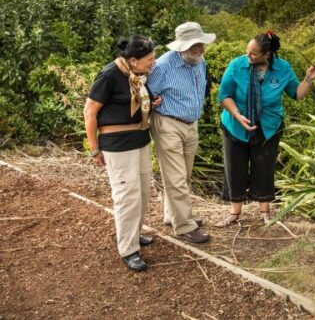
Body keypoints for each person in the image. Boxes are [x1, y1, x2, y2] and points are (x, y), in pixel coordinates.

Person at [215, 30, 315, 226]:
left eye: (253, 53)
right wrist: (237, 115)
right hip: (236, 124)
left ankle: (264, 211)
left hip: (268, 126)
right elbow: (224, 95)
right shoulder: (237, 65)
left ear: (267, 54)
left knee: (264, 167)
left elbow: (296, 94)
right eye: (248, 51)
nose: (248, 55)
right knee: (235, 167)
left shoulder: (282, 68)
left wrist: (308, 79)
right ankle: (235, 213)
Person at [84, 35, 160, 272]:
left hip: (140, 139)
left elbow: (134, 104)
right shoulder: (109, 75)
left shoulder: (135, 74)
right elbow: (89, 112)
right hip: (117, 144)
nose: (154, 62)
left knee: (143, 192)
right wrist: (94, 149)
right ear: (134, 60)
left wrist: (152, 103)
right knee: (127, 195)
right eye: (150, 59)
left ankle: (133, 234)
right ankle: (128, 249)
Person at [147, 22, 216, 244]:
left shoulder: (199, 61)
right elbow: (147, 94)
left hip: (191, 124)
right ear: (181, 46)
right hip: (168, 123)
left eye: (201, 43)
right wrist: (152, 102)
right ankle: (185, 225)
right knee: (175, 178)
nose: (200, 48)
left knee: (183, 175)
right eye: (194, 45)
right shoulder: (163, 66)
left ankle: (172, 215)